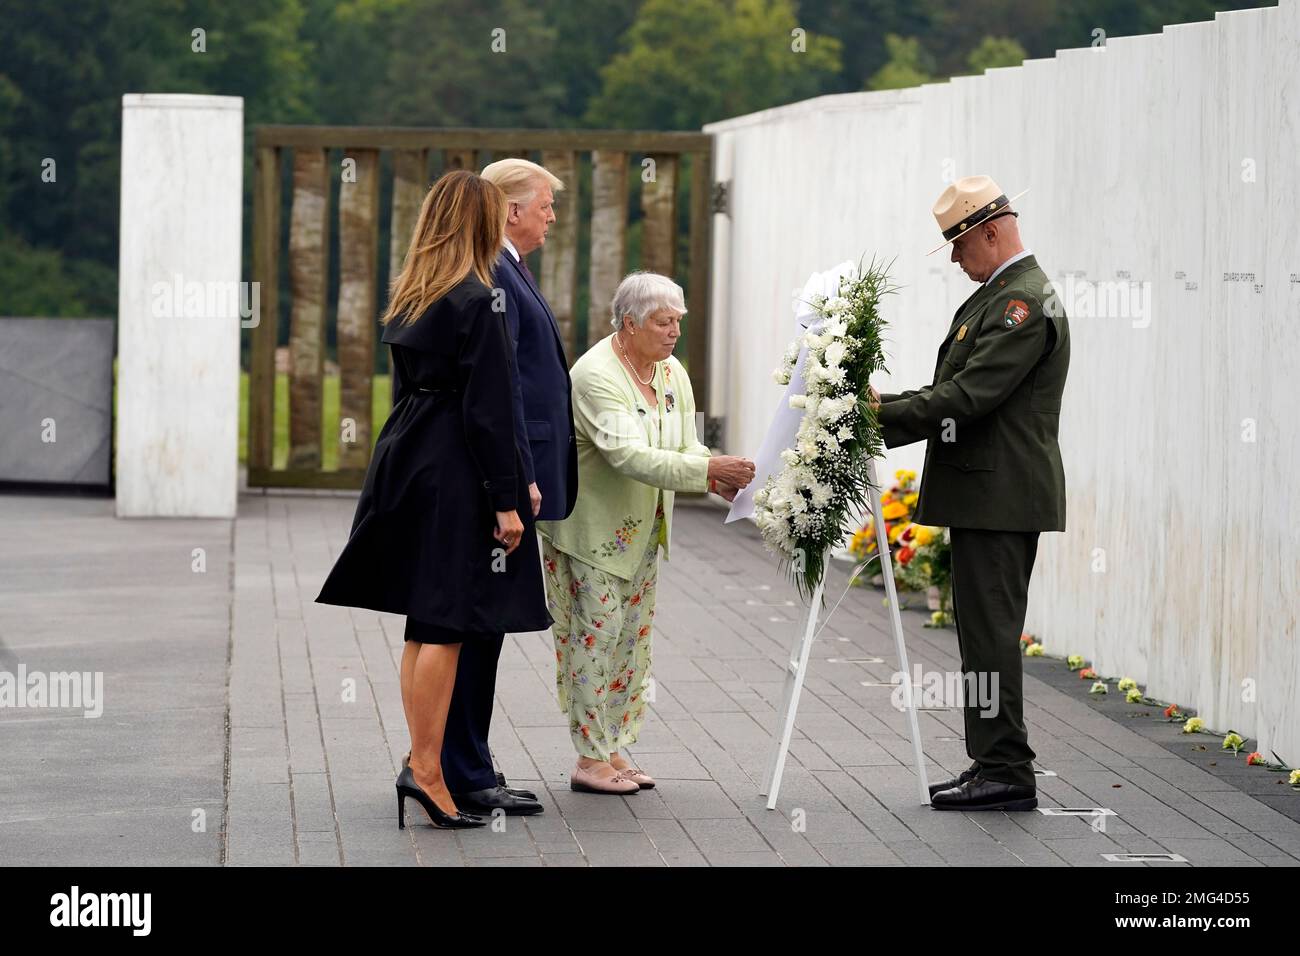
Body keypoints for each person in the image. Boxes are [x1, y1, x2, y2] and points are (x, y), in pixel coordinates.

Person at [315, 170, 551, 829]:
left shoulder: (414, 295)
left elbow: (412, 394)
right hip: (455, 471)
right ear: (478, 221)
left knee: (427, 623)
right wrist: (507, 503)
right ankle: (425, 771)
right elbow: (490, 411)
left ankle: (425, 765)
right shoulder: (478, 298)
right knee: (445, 625)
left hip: (410, 458)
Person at [871, 175, 1070, 812]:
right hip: (990, 495)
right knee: (981, 634)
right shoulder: (1002, 295)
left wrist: (873, 417)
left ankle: (1006, 771)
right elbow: (959, 395)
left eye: (958, 245)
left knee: (990, 636)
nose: (955, 259)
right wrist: (883, 403)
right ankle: (992, 763)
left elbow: (970, 398)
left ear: (991, 231)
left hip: (1001, 495)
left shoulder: (1021, 303)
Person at [538, 271, 755, 794]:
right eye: (663, 321)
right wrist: (708, 473)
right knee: (594, 640)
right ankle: (589, 761)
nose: (674, 331)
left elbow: (686, 445)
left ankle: (612, 746)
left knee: (630, 647)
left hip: (644, 532)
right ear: (629, 324)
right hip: (590, 532)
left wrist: (715, 476)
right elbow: (628, 456)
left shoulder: (670, 370)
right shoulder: (596, 375)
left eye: (679, 320)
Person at [418, 158, 577, 818]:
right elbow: (499, 391)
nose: (552, 217)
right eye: (545, 206)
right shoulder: (495, 277)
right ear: (510, 210)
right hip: (501, 483)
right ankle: (465, 771)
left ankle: (460, 762)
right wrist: (517, 482)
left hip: (501, 477)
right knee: (477, 627)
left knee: (479, 627)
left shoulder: (503, 270)